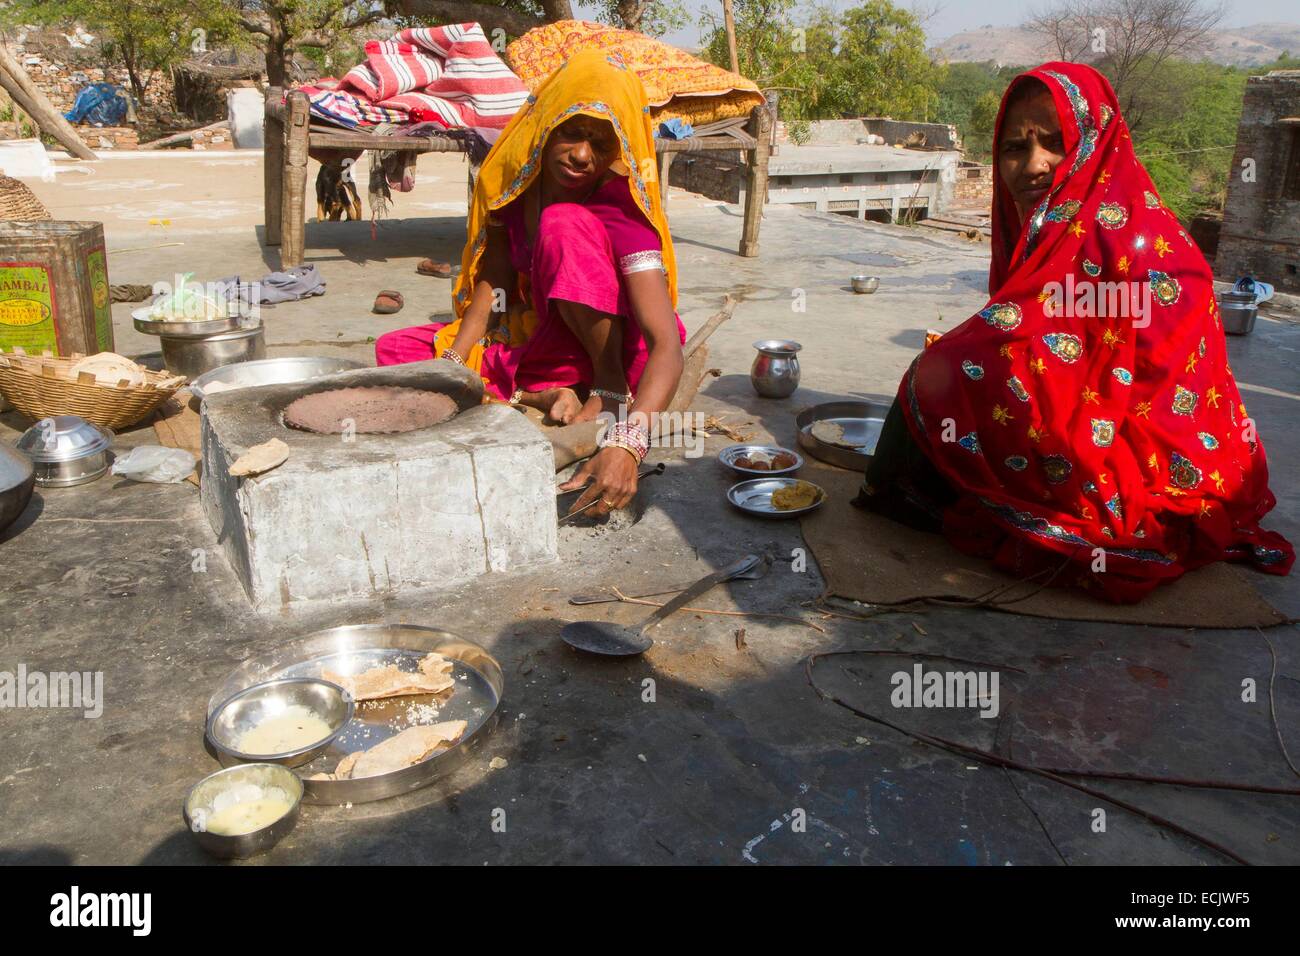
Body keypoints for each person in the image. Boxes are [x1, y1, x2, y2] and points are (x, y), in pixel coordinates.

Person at [856, 62, 1293, 602]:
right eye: (1015, 148)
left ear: (1096, 141)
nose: (1033, 165)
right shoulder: (1060, 227)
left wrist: (977, 357)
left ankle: (913, 497)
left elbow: (1122, 376)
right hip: (1095, 414)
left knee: (943, 370)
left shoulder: (1138, 243)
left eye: (1055, 144)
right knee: (966, 365)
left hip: (1151, 454)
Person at [375, 50, 685, 519]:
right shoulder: (516, 187)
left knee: (563, 223)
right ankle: (546, 392)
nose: (583, 156)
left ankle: (606, 390)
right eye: (573, 133)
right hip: (551, 338)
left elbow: (666, 344)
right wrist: (455, 360)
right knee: (396, 352)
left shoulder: (622, 207)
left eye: (601, 145)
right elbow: (495, 282)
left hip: (617, 351)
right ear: (547, 123)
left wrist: (628, 443)